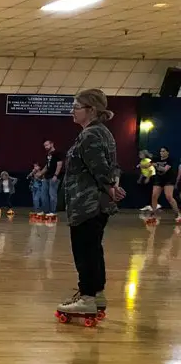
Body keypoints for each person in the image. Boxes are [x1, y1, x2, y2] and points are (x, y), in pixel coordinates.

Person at [57, 88, 125, 319]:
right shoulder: (103, 133)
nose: (72, 111)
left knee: (84, 250)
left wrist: (110, 187)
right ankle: (96, 294)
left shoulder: (90, 135)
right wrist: (112, 186)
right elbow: (111, 167)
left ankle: (87, 297)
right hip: (94, 203)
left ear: (92, 110)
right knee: (94, 249)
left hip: (87, 203)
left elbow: (100, 168)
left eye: (76, 107)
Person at [145, 147, 180, 223]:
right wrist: (147, 163)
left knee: (169, 196)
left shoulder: (170, 160)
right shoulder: (156, 159)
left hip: (169, 180)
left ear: (167, 152)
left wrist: (156, 165)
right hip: (159, 180)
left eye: (163, 151)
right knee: (154, 195)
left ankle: (177, 214)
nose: (162, 153)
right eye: (161, 151)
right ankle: (153, 215)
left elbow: (164, 169)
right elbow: (147, 165)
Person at [39, 140, 64, 221]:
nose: (46, 147)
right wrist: (40, 174)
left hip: (54, 177)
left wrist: (56, 175)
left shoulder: (57, 153)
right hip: (46, 177)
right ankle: (45, 211)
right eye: (45, 146)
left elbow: (59, 165)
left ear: (52, 144)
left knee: (52, 195)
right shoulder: (48, 155)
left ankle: (52, 212)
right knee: (43, 194)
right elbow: (47, 166)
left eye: (47, 145)